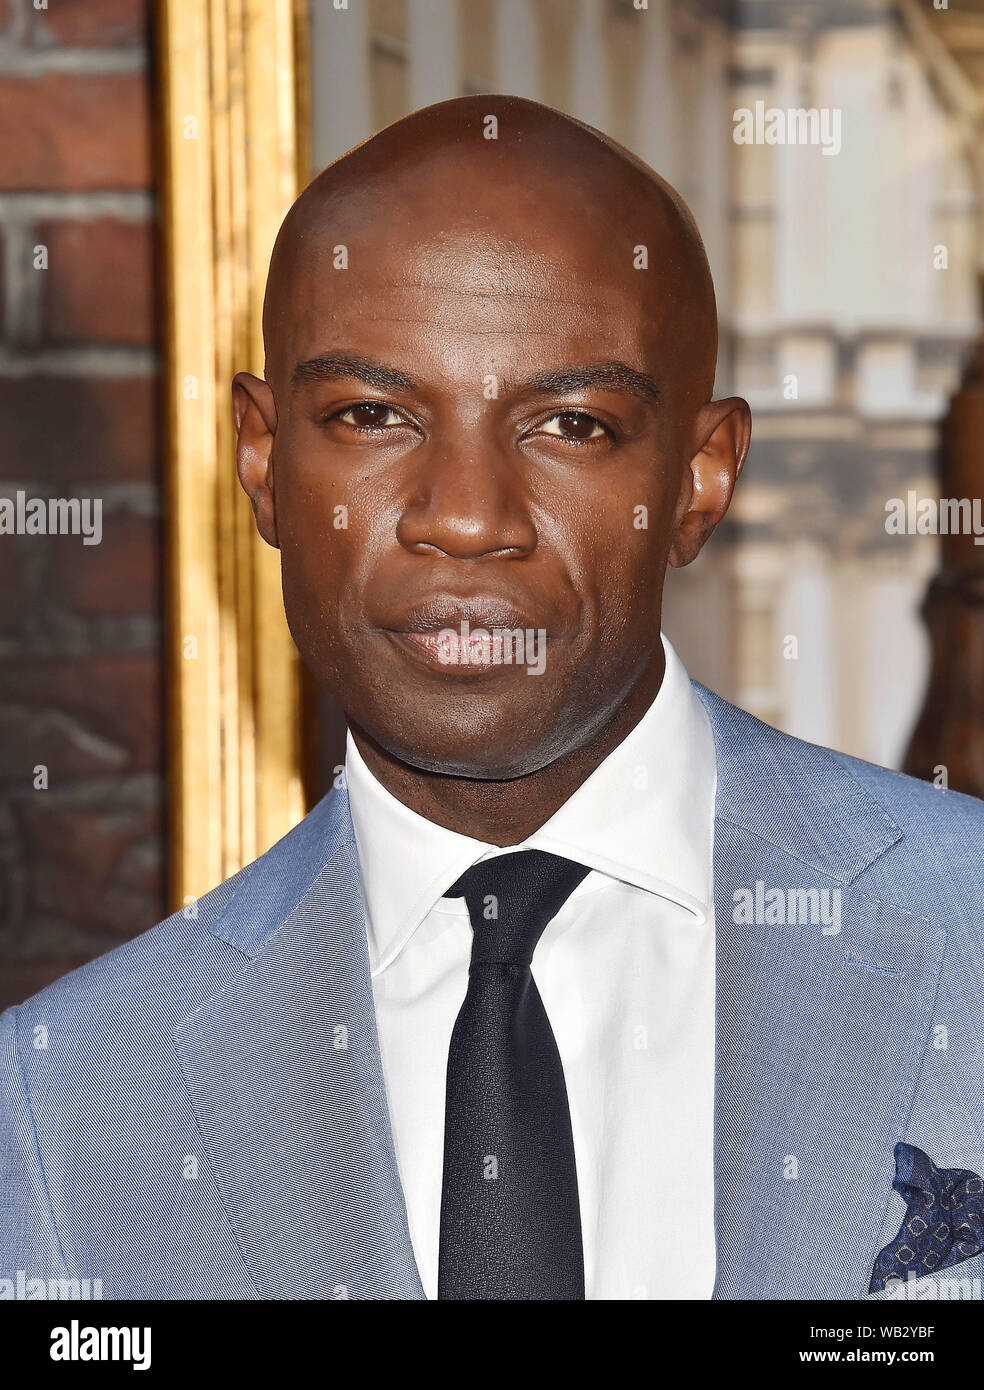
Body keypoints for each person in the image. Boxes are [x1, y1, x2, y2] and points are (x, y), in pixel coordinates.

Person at [2, 96, 983, 1302]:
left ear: (700, 476)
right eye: (372, 415)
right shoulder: (62, 1106)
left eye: (571, 424)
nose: (465, 514)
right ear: (262, 462)